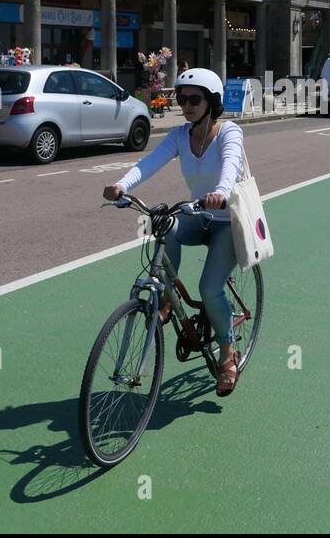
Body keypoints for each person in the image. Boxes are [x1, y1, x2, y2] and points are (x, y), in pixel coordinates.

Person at [103, 68, 247, 396]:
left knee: (210, 289)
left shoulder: (230, 132)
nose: (186, 105)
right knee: (166, 225)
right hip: (198, 215)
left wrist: (221, 192)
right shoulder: (181, 135)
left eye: (194, 99)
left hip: (227, 219)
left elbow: (230, 166)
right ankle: (167, 295)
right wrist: (121, 185)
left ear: (212, 102)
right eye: (181, 99)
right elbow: (149, 163)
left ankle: (227, 354)